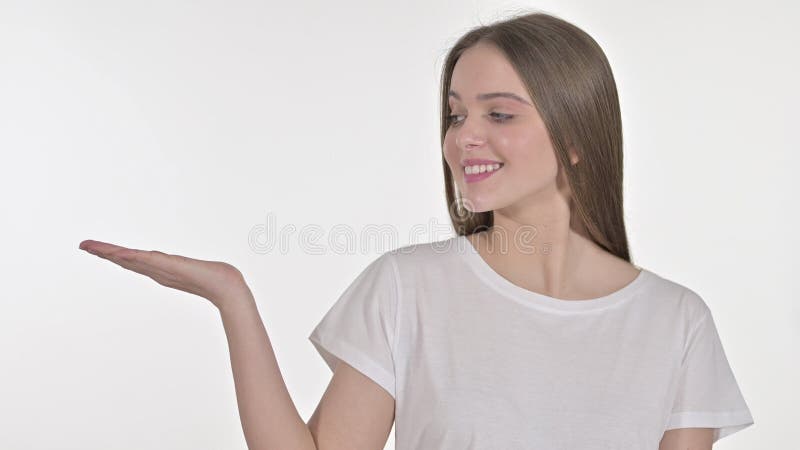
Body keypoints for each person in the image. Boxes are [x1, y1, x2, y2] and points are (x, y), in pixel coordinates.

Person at [79, 10, 754, 450]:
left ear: (577, 136)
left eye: (501, 115)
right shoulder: (410, 289)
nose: (465, 138)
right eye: (457, 115)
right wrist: (233, 301)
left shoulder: (676, 323)